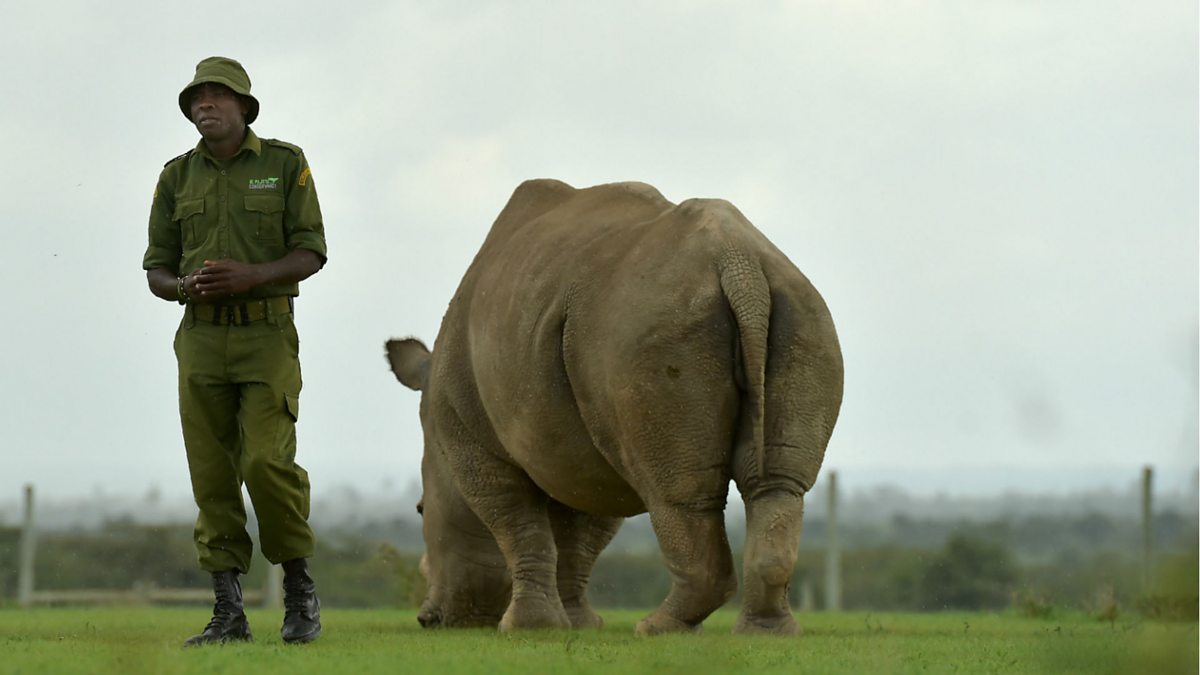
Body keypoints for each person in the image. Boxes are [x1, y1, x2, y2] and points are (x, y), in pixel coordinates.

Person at [143, 56, 327, 646]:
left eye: (218, 96)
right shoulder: (176, 177)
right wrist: (182, 288)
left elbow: (312, 252)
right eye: (197, 98)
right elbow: (156, 270)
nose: (205, 105)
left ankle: (298, 590)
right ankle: (228, 614)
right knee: (212, 475)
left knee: (265, 464)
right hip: (198, 339)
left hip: (266, 335)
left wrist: (252, 275)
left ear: (245, 106)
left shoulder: (285, 163)